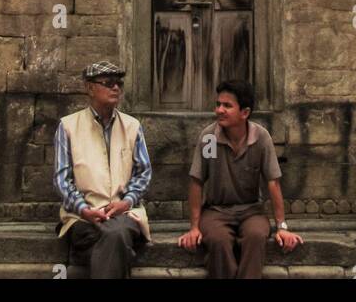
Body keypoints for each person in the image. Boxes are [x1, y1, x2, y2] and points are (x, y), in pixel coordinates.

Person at [178, 78, 303, 278]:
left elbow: (273, 182)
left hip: (251, 211)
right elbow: (197, 181)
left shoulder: (261, 138)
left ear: (244, 113)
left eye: (227, 106)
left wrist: (282, 227)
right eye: (218, 104)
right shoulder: (210, 137)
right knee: (218, 240)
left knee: (256, 236)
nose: (219, 110)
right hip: (216, 211)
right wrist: (194, 227)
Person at [54, 60, 151, 280]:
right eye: (108, 83)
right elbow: (62, 180)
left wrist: (126, 202)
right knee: (116, 238)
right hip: (82, 216)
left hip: (125, 212)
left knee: (116, 232)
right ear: (90, 88)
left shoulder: (132, 126)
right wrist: (84, 209)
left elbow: (143, 173)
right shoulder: (68, 126)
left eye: (119, 83)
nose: (115, 88)